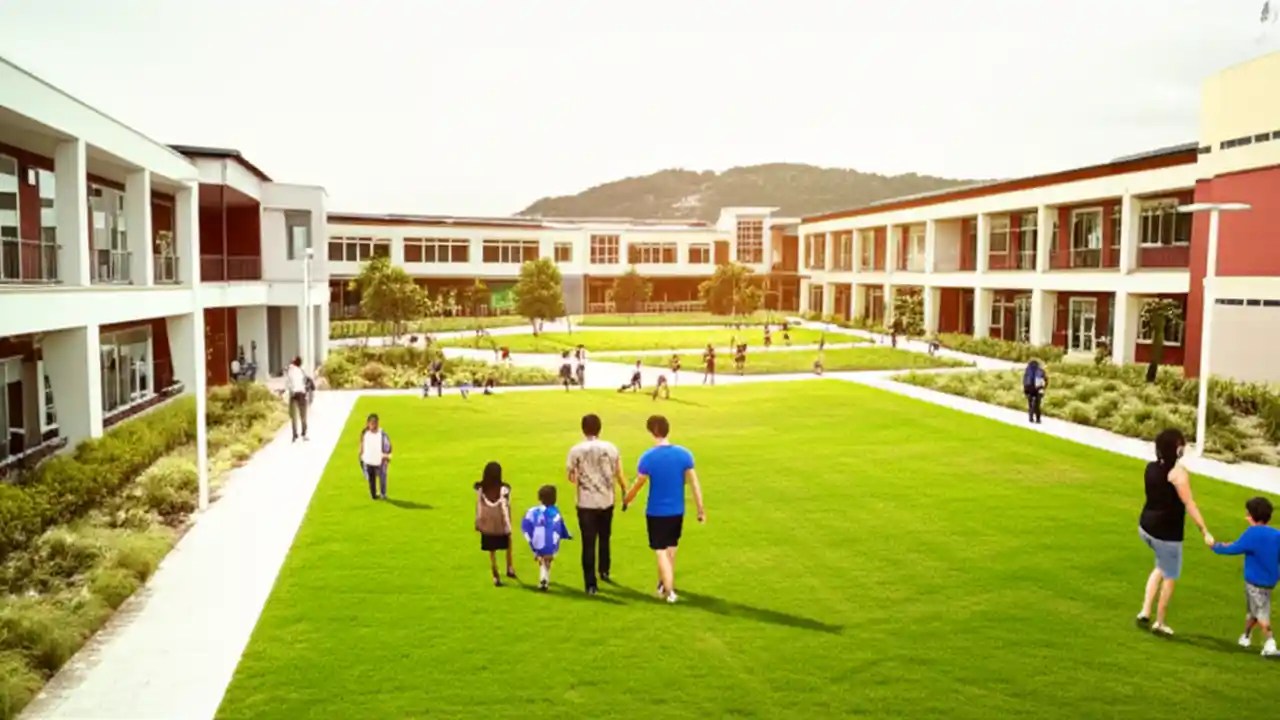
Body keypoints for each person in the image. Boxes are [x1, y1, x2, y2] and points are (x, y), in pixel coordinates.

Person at [1137, 428, 1214, 636]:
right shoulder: (1178, 473)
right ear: (1177, 448)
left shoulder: (1150, 468)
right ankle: (1160, 623)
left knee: (1160, 567)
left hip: (1146, 527)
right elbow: (1189, 503)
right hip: (1167, 533)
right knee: (1170, 574)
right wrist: (1204, 530)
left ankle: (1145, 611)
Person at [623, 415, 705, 604]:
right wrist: (700, 509)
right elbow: (694, 483)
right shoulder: (684, 454)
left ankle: (669, 590)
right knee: (671, 549)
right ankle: (662, 584)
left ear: (652, 432)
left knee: (660, 550)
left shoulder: (648, 457)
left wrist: (627, 499)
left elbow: (638, 484)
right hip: (677, 511)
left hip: (656, 512)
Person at [1211, 496, 1280, 657]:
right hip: (1270, 581)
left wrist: (1215, 546)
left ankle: (1270, 644)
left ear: (1252, 516)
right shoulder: (1277, 535)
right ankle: (1246, 636)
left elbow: (1234, 548)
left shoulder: (1252, 533)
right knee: (1254, 611)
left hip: (1254, 582)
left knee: (1261, 613)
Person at [566, 414, 627, 595]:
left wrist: (584, 480)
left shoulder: (576, 450)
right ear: (600, 428)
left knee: (588, 543)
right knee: (605, 537)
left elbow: (570, 476)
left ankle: (590, 584)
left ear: (583, 429)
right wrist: (625, 492)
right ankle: (604, 570)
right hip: (606, 500)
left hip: (586, 503)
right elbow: (619, 474)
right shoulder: (611, 448)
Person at [522, 485, 573, 591]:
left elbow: (526, 524)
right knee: (548, 558)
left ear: (539, 498)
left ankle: (543, 578)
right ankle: (544, 578)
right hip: (550, 542)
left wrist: (531, 540)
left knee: (540, 556)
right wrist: (566, 535)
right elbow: (560, 525)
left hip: (537, 541)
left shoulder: (533, 511)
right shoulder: (555, 512)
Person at [474, 461, 517, 586]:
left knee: (491, 548)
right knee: (508, 542)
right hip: (500, 523)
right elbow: (505, 506)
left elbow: (479, 506)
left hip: (487, 524)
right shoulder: (504, 489)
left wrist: (478, 521)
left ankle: (495, 573)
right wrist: (508, 522)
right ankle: (509, 567)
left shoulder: (481, 489)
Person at [358, 413, 392, 500]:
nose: (374, 425)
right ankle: (373, 495)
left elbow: (387, 445)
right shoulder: (365, 434)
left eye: (376, 423)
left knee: (382, 476)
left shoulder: (382, 434)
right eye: (372, 423)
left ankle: (383, 493)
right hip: (369, 461)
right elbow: (362, 446)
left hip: (380, 460)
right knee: (371, 479)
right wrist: (361, 455)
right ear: (368, 424)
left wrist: (386, 456)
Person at [285, 356, 310, 442]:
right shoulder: (301, 370)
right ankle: (304, 433)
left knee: (293, 416)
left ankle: (295, 434)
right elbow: (305, 381)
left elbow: (289, 383)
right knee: (303, 415)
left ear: (294, 362)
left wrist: (287, 390)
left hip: (294, 394)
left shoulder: (290, 370)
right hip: (302, 394)